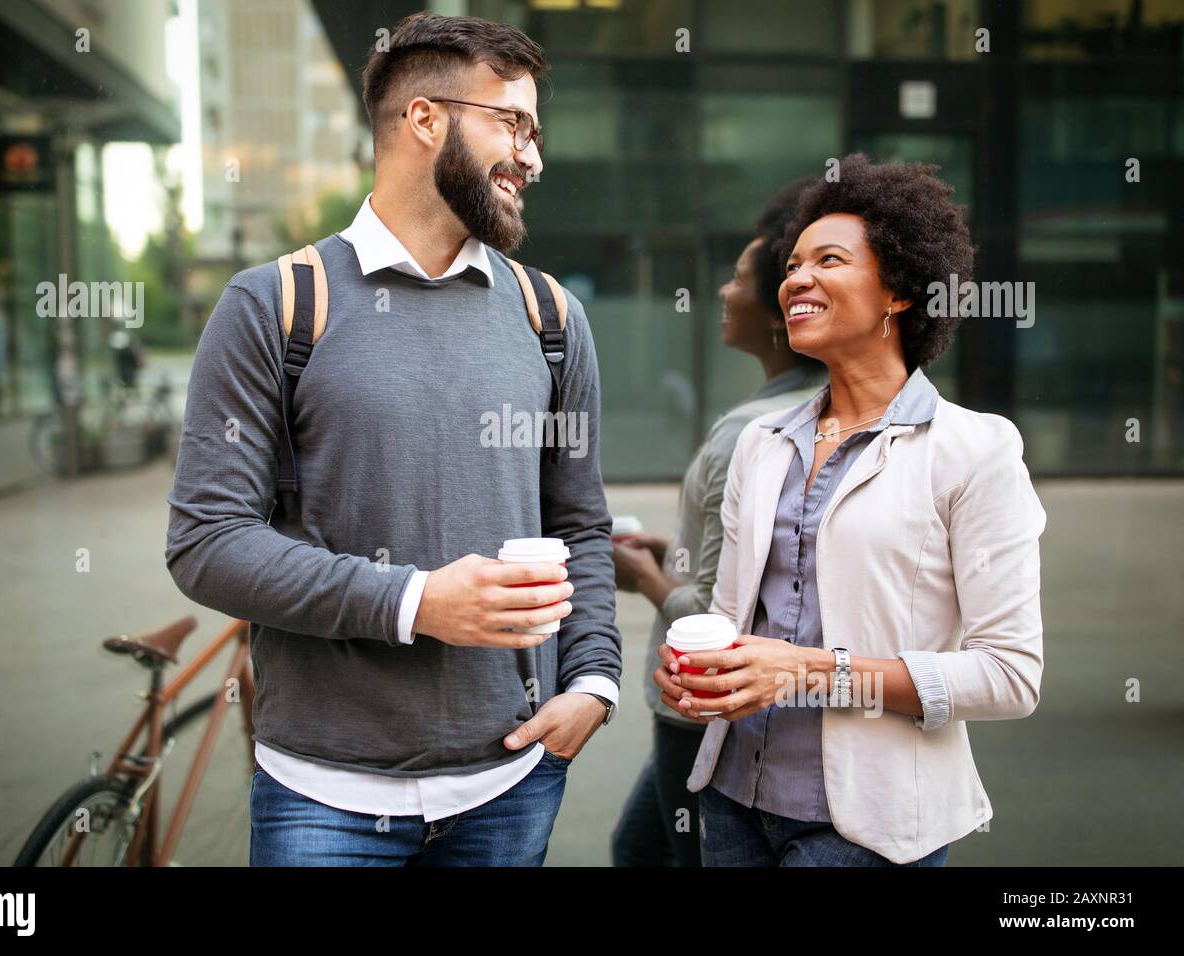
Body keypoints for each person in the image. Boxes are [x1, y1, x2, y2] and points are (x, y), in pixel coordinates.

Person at [166, 12, 622, 867]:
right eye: (511, 124)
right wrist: (416, 603)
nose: (533, 157)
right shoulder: (274, 306)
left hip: (510, 784)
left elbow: (581, 524)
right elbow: (206, 543)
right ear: (425, 119)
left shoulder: (552, 317)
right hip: (319, 797)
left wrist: (594, 682)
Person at [654, 153, 1046, 866]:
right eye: (793, 265)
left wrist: (804, 672)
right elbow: (738, 624)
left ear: (897, 290)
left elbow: (1010, 675)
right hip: (731, 799)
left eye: (828, 260)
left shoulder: (974, 451)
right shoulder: (761, 445)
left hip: (867, 830)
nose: (796, 279)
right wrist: (701, 674)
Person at [609, 179, 827, 867]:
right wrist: (673, 551)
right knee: (638, 849)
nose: (725, 294)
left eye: (737, 281)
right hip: (717, 704)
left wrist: (643, 575)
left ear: (776, 317)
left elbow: (711, 608)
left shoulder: (750, 431)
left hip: (695, 700)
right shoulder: (796, 409)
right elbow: (759, 564)